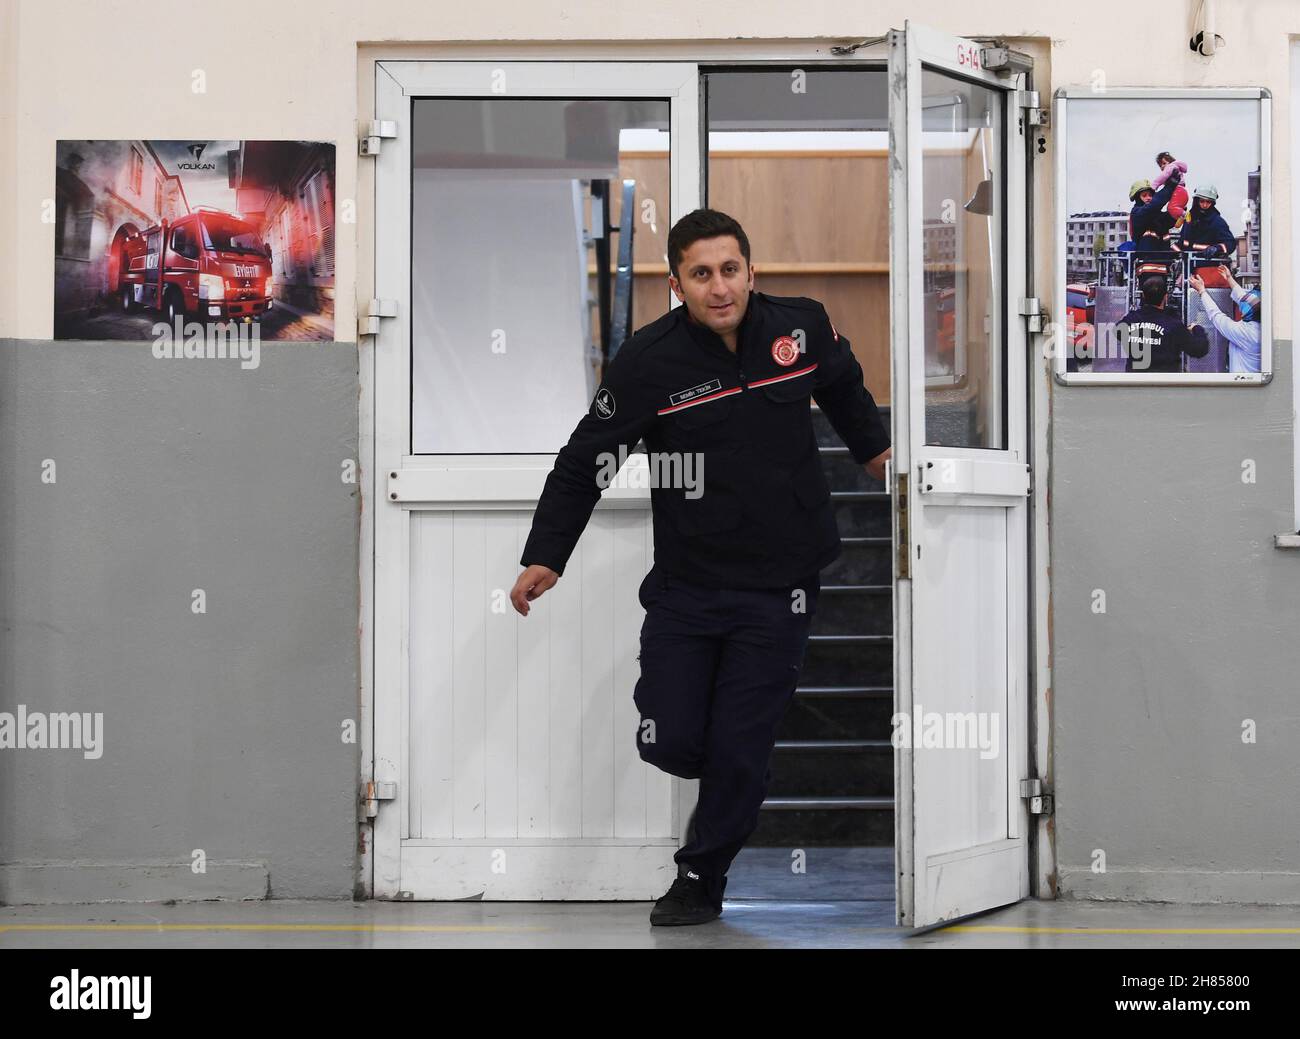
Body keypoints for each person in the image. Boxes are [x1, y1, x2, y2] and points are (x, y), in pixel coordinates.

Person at [510, 208, 891, 926]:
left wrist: (888, 466)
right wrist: (545, 554)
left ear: (752, 270)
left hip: (783, 586)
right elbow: (585, 460)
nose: (720, 287)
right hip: (690, 584)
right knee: (675, 736)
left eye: (731, 269)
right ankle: (715, 768)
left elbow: (844, 390)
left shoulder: (799, 327)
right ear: (677, 283)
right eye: (701, 274)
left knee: (741, 746)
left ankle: (700, 874)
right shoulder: (648, 362)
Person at [1118, 271, 1210, 373]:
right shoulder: (1174, 325)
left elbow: (1117, 331)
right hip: (1166, 385)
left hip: (1134, 384)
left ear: (1143, 295)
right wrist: (1197, 329)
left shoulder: (1131, 319)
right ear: (1166, 297)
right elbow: (1199, 349)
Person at [1188, 265, 1262, 373]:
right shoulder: (1261, 325)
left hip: (1242, 384)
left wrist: (1202, 291)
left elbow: (1216, 316)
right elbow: (1242, 297)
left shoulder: (1247, 334)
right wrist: (1229, 278)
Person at [1177, 184, 1237, 278]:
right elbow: (1181, 242)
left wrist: (1217, 248)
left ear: (1212, 203)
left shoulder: (1217, 221)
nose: (1205, 205)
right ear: (1197, 201)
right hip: (1188, 269)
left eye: (1208, 202)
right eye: (1202, 201)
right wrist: (1175, 258)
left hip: (1207, 269)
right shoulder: (1189, 219)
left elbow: (1231, 243)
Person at [1127, 170, 1180, 251]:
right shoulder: (1137, 213)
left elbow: (1167, 221)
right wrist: (1170, 187)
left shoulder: (1156, 214)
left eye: (1151, 195)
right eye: (1144, 195)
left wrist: (1178, 207)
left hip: (1164, 260)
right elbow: (1153, 206)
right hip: (1145, 260)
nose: (1148, 198)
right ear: (1137, 198)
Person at [1153, 152, 1190, 238]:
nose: (1162, 166)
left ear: (1170, 161)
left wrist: (1154, 186)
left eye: (1164, 163)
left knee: (1171, 208)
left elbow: (1162, 177)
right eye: (1160, 165)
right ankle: (1181, 218)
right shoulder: (1175, 168)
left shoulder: (1171, 167)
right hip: (1182, 192)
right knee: (1172, 210)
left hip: (1179, 191)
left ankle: (1185, 215)